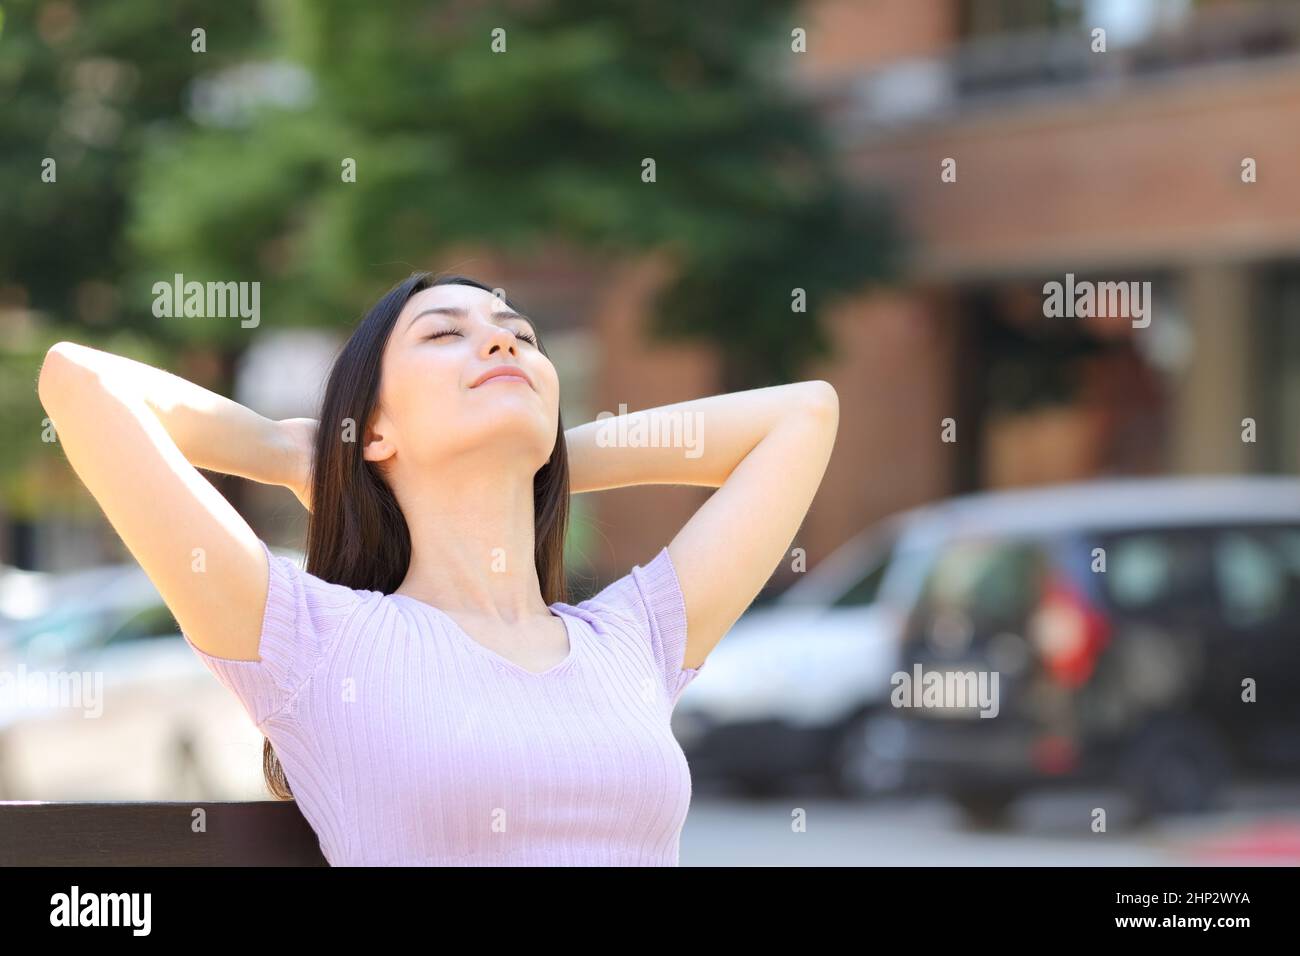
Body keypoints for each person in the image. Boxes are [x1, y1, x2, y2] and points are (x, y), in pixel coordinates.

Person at [36, 271, 839, 865]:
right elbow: (80, 380)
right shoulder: (312, 642)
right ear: (374, 429)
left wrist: (545, 453)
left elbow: (803, 414)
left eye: (519, 336)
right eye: (444, 333)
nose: (502, 341)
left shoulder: (634, 638)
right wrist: (295, 451)